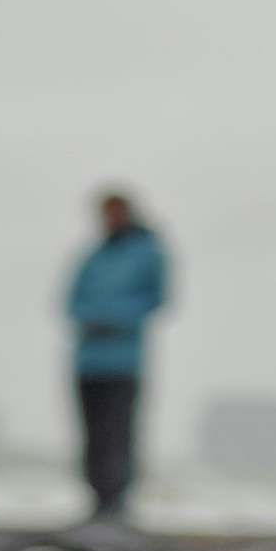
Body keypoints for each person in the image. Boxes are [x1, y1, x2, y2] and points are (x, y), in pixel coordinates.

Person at [65, 188, 170, 525]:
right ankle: (95, 502)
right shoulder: (92, 255)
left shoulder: (149, 252)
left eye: (114, 212)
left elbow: (156, 298)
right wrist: (88, 318)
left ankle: (118, 503)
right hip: (87, 359)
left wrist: (113, 319)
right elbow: (70, 300)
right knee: (91, 431)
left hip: (124, 361)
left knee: (119, 430)